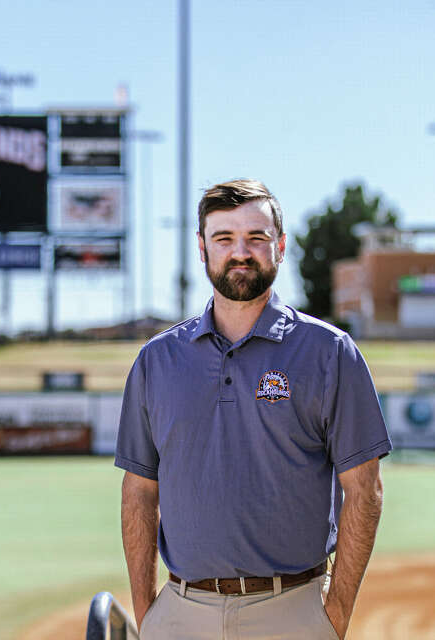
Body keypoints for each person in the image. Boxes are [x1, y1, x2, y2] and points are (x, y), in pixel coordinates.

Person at [115, 179, 391, 639]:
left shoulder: (329, 352)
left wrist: (335, 614)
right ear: (202, 248)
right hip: (181, 613)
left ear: (279, 247)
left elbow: (364, 489)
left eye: (256, 238)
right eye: (223, 238)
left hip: (293, 610)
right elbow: (139, 492)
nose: (240, 251)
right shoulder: (156, 361)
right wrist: (148, 615)